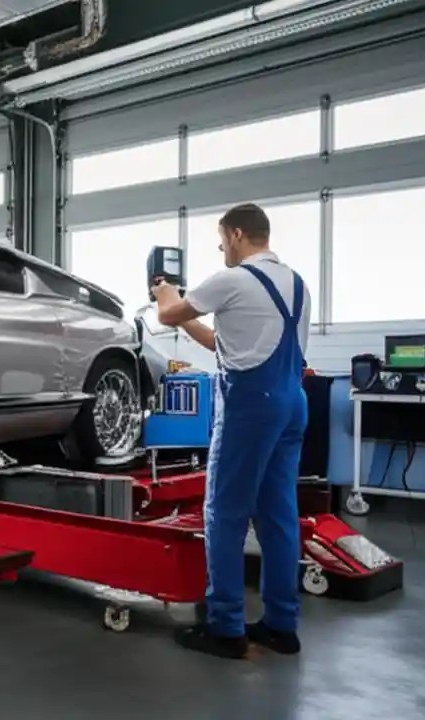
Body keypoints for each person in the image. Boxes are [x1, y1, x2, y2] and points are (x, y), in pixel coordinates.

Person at [151, 202, 311, 659]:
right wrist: (184, 313)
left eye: (222, 238)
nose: (220, 246)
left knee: (224, 512)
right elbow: (224, 344)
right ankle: (282, 625)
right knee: (278, 514)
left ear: (238, 234)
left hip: (250, 406)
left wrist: (165, 290)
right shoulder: (297, 285)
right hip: (291, 402)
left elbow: (167, 315)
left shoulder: (232, 279)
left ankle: (225, 628)